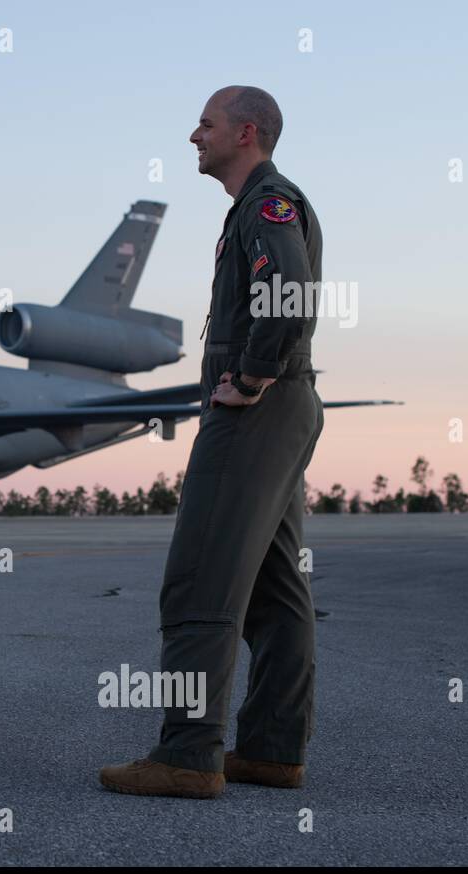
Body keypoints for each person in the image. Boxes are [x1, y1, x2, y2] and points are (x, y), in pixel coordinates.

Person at [100, 86, 325, 798]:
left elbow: (288, 290)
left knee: (199, 579)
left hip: (257, 410)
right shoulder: (258, 205)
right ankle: (269, 751)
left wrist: (252, 376)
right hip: (286, 407)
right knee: (271, 587)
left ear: (246, 133)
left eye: (206, 124)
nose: (193, 135)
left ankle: (188, 753)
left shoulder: (269, 202)